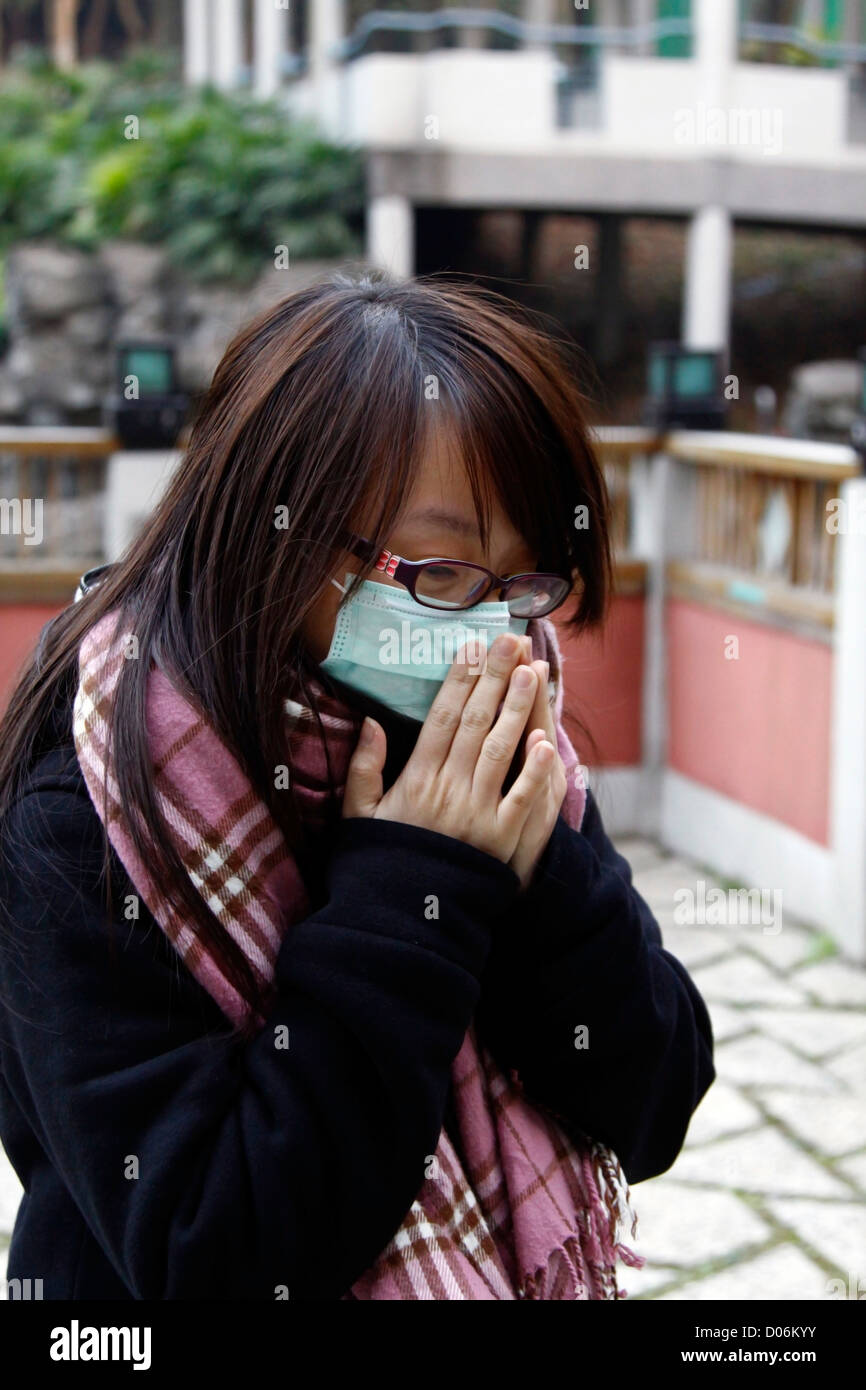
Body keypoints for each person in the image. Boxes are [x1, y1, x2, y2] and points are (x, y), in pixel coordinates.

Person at [0, 270, 714, 1301]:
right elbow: (220, 1250)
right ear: (272, 533)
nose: (484, 631)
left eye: (520, 583)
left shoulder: (499, 740)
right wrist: (411, 891)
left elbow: (655, 1100)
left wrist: (536, 872)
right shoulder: (97, 809)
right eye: (439, 573)